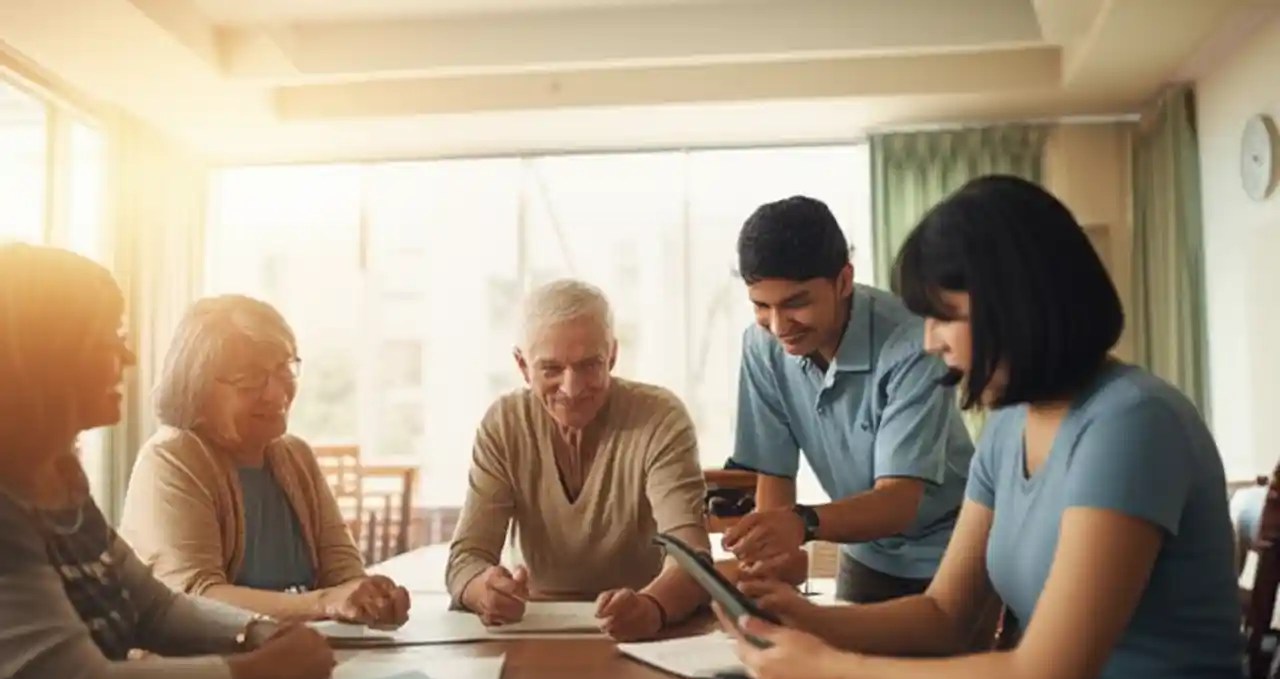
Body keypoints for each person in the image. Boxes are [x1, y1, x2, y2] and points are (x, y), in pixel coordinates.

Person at [718, 176, 1248, 679]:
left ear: (1015, 306)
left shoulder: (1131, 425)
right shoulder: (1009, 424)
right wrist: (804, 621)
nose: (930, 340)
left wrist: (830, 668)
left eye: (944, 316)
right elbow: (945, 616)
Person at [0, 245, 335, 679]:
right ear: (41, 352)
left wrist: (259, 632)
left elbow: (155, 609)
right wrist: (260, 668)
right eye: (107, 337)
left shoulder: (60, 479)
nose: (128, 354)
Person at [722, 195, 974, 603]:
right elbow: (774, 472)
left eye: (796, 303)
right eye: (761, 306)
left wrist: (800, 523)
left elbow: (898, 501)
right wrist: (771, 559)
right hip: (865, 553)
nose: (779, 325)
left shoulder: (913, 342)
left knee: (933, 658)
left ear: (843, 282)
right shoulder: (761, 344)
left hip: (950, 549)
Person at [120, 295, 409, 626]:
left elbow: (343, 574)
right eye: (250, 378)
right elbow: (195, 596)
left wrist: (369, 598)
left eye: (284, 368)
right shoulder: (171, 459)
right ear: (195, 383)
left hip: (300, 662)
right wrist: (324, 602)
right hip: (211, 671)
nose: (277, 392)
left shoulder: (294, 456)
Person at [446, 279, 710, 641]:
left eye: (590, 366)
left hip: (644, 632)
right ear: (523, 366)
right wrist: (484, 591)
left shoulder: (660, 418)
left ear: (613, 356)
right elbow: (466, 559)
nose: (571, 389)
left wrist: (652, 607)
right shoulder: (504, 424)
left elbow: (691, 558)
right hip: (536, 634)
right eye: (551, 369)